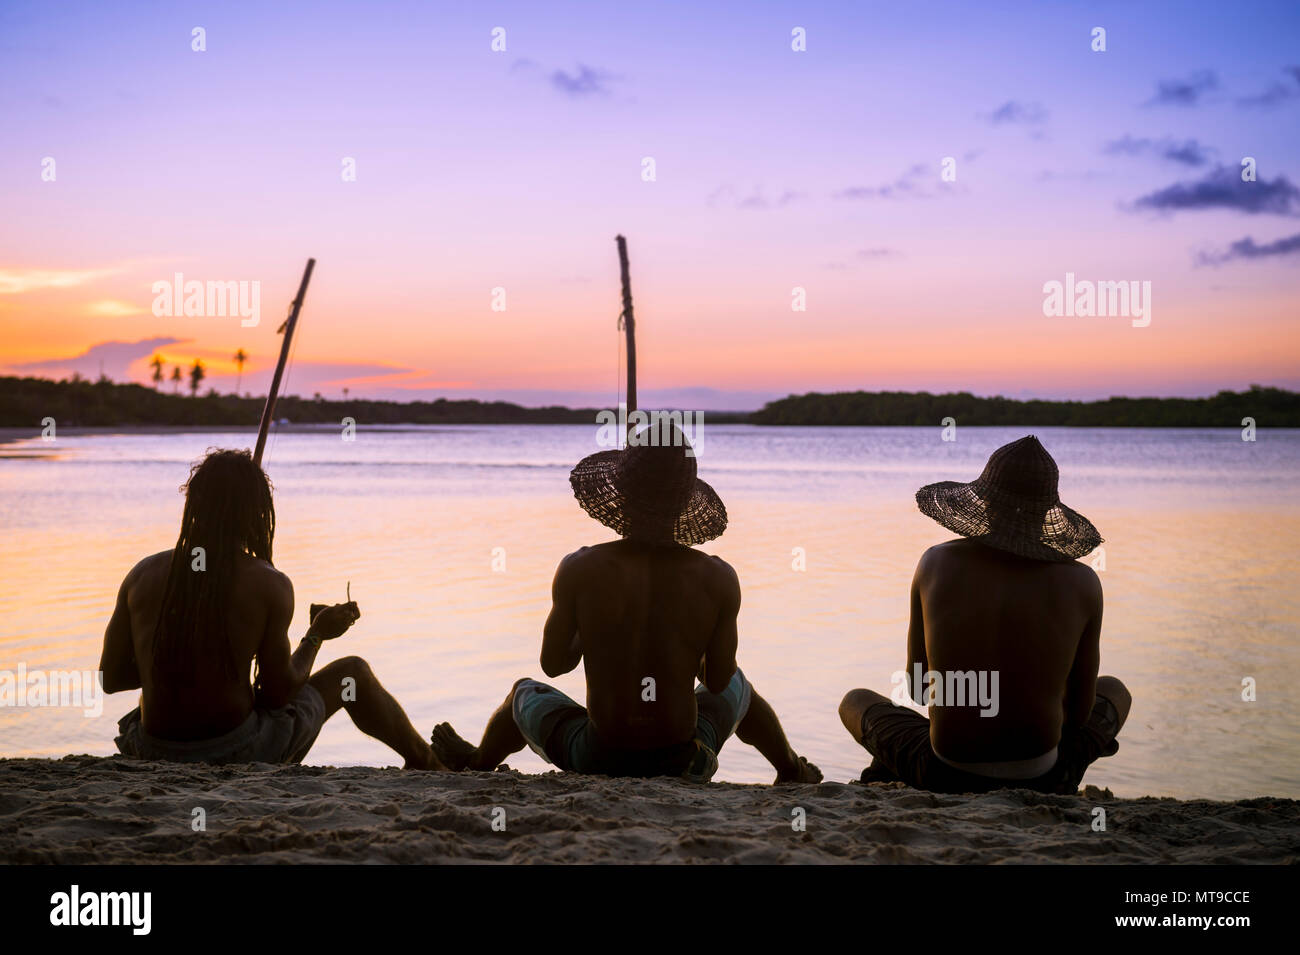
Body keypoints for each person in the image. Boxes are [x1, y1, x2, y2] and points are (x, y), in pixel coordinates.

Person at [431, 422, 821, 784]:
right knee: (739, 684)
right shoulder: (718, 577)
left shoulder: (579, 567)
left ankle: (478, 764)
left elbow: (553, 665)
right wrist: (683, 645)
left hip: (597, 757)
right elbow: (717, 681)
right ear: (685, 498)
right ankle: (791, 769)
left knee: (522, 693)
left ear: (623, 491)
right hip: (684, 763)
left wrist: (594, 629)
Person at [100, 448, 443, 769]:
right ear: (256, 513)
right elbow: (278, 695)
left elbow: (111, 679)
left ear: (194, 505)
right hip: (235, 752)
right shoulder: (269, 583)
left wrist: (171, 668)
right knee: (352, 672)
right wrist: (315, 636)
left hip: (149, 748)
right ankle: (427, 762)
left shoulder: (141, 575)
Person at [839, 435, 1130, 794]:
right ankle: (1064, 772)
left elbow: (917, 686)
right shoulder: (1083, 581)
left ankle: (882, 774)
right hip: (1042, 775)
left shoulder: (935, 563)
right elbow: (1079, 715)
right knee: (1115, 692)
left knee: (855, 701)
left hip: (944, 769)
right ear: (1047, 512)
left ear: (983, 503)